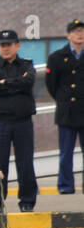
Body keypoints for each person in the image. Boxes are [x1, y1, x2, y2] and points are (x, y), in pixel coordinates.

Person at [0, 29, 38, 211]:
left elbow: (28, 82)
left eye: (9, 45)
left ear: (17, 45)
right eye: (2, 45)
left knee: (25, 162)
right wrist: (15, 82)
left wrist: (4, 83)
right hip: (0, 122)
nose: (5, 48)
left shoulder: (27, 65)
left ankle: (27, 202)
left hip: (23, 122)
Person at [46, 18, 84, 194]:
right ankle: (66, 185)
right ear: (68, 35)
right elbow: (52, 85)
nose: (80, 34)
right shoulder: (56, 57)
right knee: (65, 154)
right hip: (67, 112)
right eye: (76, 31)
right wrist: (63, 100)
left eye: (82, 30)